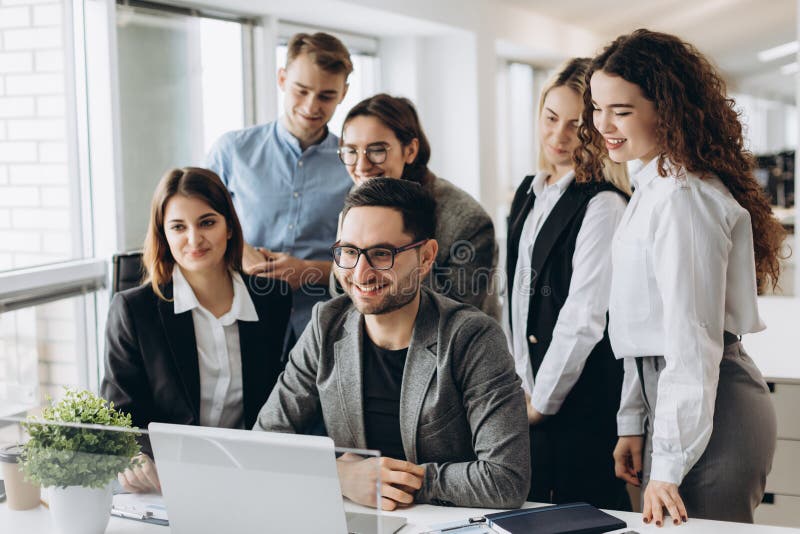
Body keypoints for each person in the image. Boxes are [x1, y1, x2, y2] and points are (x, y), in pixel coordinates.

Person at [576, 29, 784, 525]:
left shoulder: (682, 199)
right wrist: (633, 423)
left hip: (712, 417)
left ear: (666, 110)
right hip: (674, 410)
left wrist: (666, 465)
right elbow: (636, 327)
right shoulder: (652, 185)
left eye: (621, 111)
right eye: (597, 106)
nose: (602, 123)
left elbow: (691, 345)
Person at [255, 178, 529, 510]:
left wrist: (391, 480)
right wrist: (340, 477)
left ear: (426, 257)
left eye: (382, 254)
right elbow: (263, 443)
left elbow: (506, 479)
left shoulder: (472, 338)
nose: (361, 272)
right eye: (349, 252)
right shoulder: (325, 325)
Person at [102, 167, 292, 494]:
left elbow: (286, 400)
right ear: (164, 235)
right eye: (178, 227)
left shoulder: (272, 300)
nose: (194, 239)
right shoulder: (134, 310)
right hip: (165, 484)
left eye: (207, 222)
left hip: (251, 478)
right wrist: (132, 455)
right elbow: (116, 414)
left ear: (229, 227)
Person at [505, 58, 630, 509]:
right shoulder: (527, 192)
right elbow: (516, 303)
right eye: (551, 118)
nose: (559, 136)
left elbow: (584, 315)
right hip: (526, 393)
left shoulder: (603, 204)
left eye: (576, 124)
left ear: (595, 127)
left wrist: (540, 400)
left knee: (585, 514)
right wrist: (515, 382)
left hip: (578, 402)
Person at [205, 32, 353, 347]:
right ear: (282, 79)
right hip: (238, 319)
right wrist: (239, 250)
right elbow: (195, 221)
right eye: (302, 91)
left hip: (324, 328)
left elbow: (368, 253)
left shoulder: (354, 163)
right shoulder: (232, 150)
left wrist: (311, 271)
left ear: (343, 94)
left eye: (326, 96)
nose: (311, 106)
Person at [333, 93, 499, 318]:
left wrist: (407, 250)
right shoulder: (358, 201)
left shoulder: (467, 220)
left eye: (377, 150)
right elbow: (342, 295)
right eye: (351, 151)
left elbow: (455, 315)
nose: (361, 165)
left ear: (410, 151)